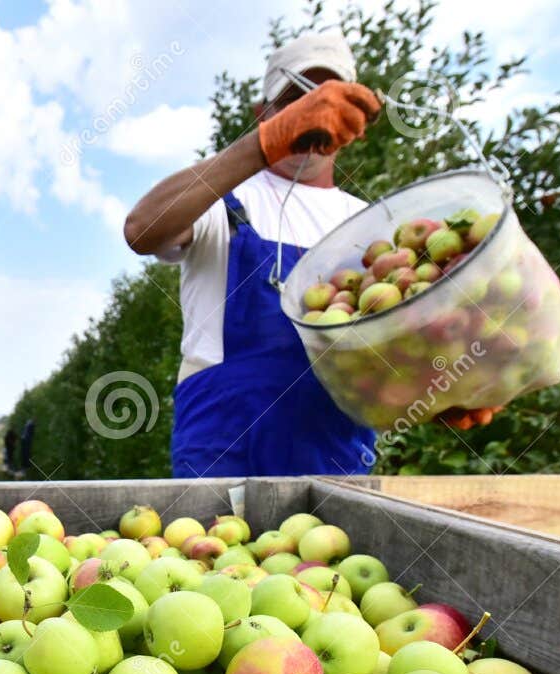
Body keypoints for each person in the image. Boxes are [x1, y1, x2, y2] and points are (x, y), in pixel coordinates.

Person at [124, 31, 382, 478]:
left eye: (328, 101)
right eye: (295, 101)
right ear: (264, 114)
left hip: (334, 452)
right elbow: (142, 229)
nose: (311, 115)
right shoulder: (220, 199)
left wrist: (438, 391)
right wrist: (264, 146)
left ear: (351, 125)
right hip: (224, 448)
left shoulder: (370, 227)